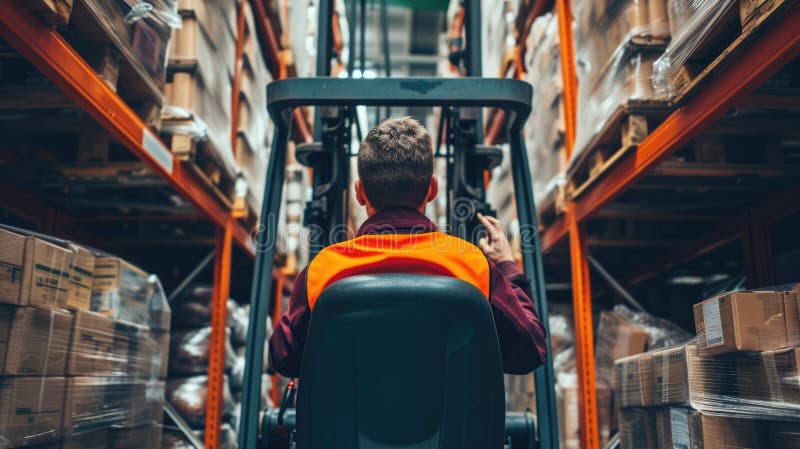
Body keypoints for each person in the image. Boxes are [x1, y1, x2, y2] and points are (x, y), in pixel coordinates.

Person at [269, 117, 547, 377]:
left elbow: (283, 357)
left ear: (359, 192)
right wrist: (507, 266)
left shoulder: (324, 270)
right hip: (454, 430)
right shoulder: (471, 266)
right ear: (432, 189)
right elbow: (532, 350)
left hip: (344, 429)